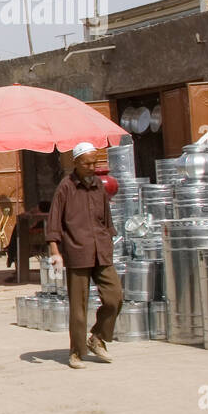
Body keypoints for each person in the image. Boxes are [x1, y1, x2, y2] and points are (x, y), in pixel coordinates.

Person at [47, 142, 121, 369]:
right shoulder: (65, 187)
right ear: (76, 162)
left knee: (115, 297)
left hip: (102, 250)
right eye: (87, 163)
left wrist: (109, 241)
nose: (92, 167)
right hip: (77, 251)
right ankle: (76, 352)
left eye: (94, 162)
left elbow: (107, 220)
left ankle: (97, 336)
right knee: (78, 308)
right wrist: (55, 252)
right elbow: (54, 221)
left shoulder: (99, 185)